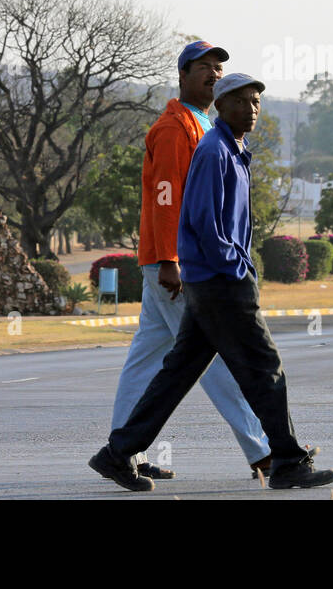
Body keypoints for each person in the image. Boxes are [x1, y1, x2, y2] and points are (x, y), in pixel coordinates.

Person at [90, 73, 333, 491]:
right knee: (265, 369)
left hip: (212, 282)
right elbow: (203, 220)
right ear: (220, 106)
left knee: (178, 373)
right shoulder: (214, 151)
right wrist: (236, 267)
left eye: (256, 102)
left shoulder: (232, 149)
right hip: (221, 282)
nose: (251, 109)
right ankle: (288, 461)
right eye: (240, 102)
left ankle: (116, 454)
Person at [99, 41, 270, 482]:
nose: (214, 75)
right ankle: (264, 449)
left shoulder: (202, 124)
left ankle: (124, 451)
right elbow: (166, 202)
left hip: (172, 264)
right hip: (176, 266)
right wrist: (169, 260)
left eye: (218, 69)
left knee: (148, 358)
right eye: (204, 68)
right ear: (183, 75)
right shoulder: (177, 128)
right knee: (211, 357)